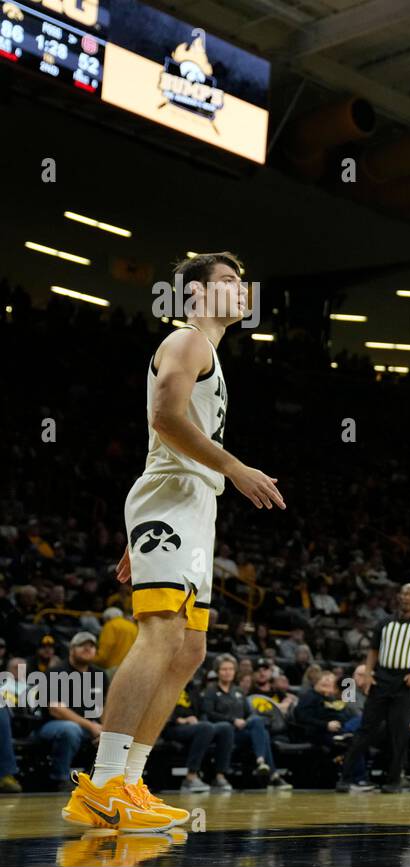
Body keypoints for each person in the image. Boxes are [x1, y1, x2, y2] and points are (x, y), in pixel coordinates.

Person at [63, 251, 285, 833]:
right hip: (175, 494)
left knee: (189, 650)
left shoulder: (207, 352)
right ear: (195, 295)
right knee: (161, 635)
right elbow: (164, 418)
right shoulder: (187, 342)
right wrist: (237, 469)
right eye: (231, 281)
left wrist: (145, 537)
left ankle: (130, 780)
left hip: (191, 504)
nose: (243, 289)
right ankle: (104, 783)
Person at [338, 583, 410, 793]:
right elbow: (373, 650)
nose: (407, 597)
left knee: (398, 733)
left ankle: (393, 781)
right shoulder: (384, 623)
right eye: (404, 593)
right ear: (399, 597)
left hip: (404, 684)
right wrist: (369, 673)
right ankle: (345, 778)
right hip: (381, 679)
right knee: (365, 730)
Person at [202, 654, 291, 789]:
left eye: (231, 669)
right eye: (224, 669)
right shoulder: (211, 691)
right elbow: (209, 714)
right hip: (223, 732)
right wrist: (233, 720)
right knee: (263, 733)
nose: (227, 672)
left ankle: (262, 763)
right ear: (218, 671)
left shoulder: (237, 691)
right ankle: (272, 774)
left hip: (241, 731)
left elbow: (248, 713)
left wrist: (245, 720)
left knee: (257, 722)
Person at [39, 633, 107, 792]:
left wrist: (106, 729)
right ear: (71, 649)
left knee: (113, 734)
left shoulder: (99, 675)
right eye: (82, 645)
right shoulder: (55, 672)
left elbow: (103, 706)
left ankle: (94, 781)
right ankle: (60, 779)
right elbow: (55, 709)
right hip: (51, 725)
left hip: (89, 726)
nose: (88, 648)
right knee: (70, 728)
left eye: (92, 646)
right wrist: (91, 726)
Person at [162, 675, 235, 793]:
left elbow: (202, 711)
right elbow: (160, 710)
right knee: (205, 728)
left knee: (225, 728)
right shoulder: (168, 685)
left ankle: (219, 776)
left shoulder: (192, 688)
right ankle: (190, 777)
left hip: (196, 726)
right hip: (173, 727)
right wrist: (181, 720)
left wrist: (201, 720)